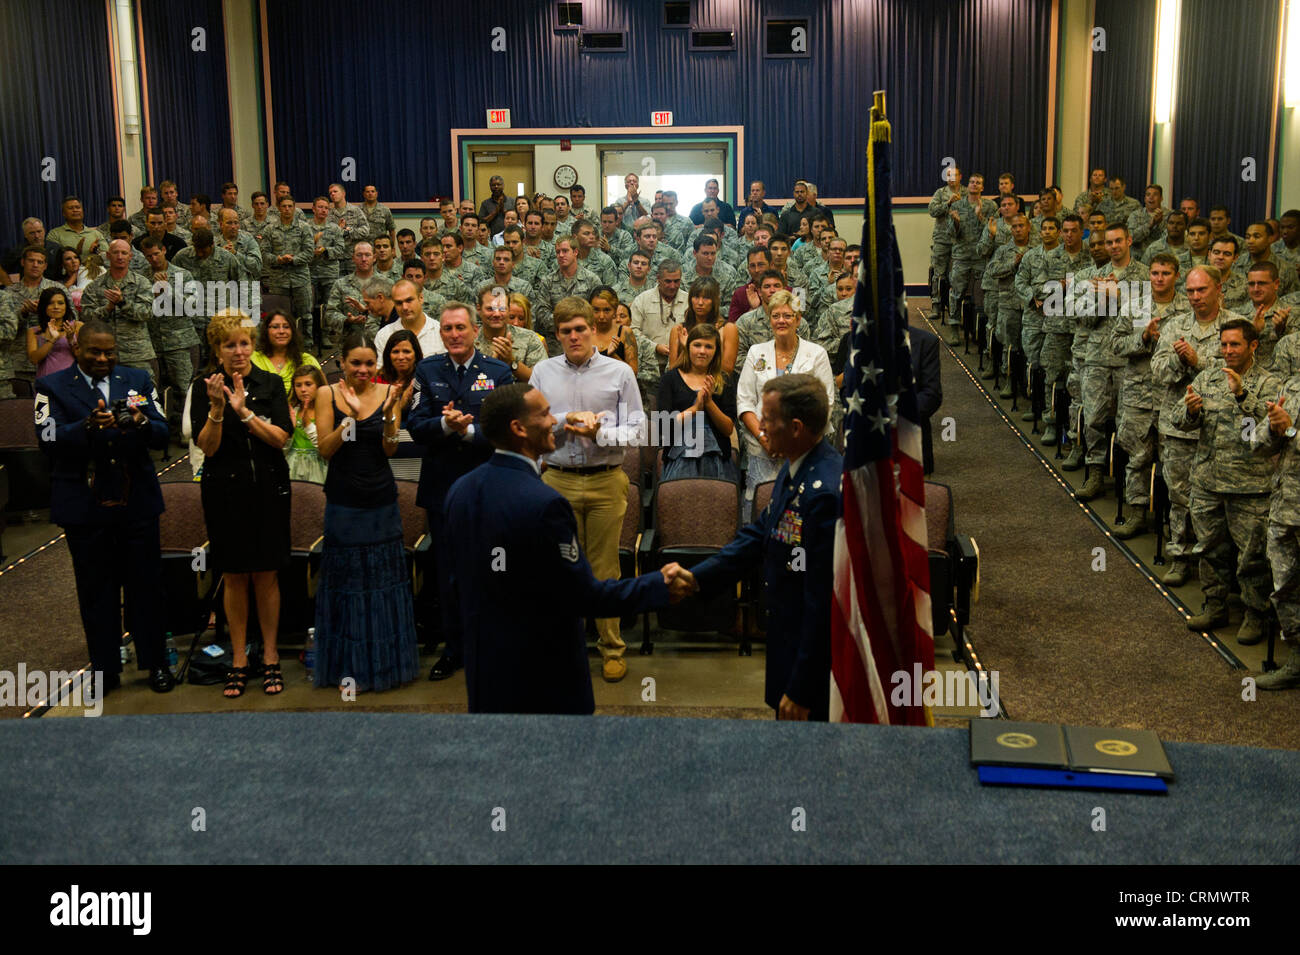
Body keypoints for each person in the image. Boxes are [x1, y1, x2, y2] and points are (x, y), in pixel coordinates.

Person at [444, 383, 689, 713]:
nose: (555, 421)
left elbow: (458, 582)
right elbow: (582, 595)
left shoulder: (460, 490)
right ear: (518, 428)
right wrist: (654, 586)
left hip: (485, 667)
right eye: (545, 414)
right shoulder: (546, 503)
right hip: (544, 672)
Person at [671, 374, 841, 720]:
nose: (759, 426)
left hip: (813, 667)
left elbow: (822, 604)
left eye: (767, 419)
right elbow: (758, 535)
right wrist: (696, 576)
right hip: (785, 642)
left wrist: (801, 688)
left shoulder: (825, 492)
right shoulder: (796, 468)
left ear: (795, 427)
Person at [34, 320, 175, 696]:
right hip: (84, 503)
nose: (102, 358)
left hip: (136, 499)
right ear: (77, 348)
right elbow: (46, 436)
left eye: (109, 352)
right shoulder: (52, 386)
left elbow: (163, 430)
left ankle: (156, 663)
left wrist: (140, 420)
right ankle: (105, 670)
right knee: (97, 590)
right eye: (94, 352)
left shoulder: (136, 381)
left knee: (146, 586)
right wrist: (85, 427)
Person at [530, 297, 645, 682]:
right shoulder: (543, 373)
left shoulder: (620, 372)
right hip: (556, 479)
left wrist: (601, 432)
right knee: (560, 567)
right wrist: (566, 419)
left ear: (594, 329)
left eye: (580, 329)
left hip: (606, 479)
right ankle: (566, 647)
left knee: (605, 568)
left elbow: (638, 429)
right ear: (557, 335)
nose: (574, 336)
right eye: (566, 331)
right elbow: (533, 424)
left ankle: (611, 647)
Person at [405, 303, 514, 680]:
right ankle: (455, 649)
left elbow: (508, 430)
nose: (454, 334)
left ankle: (496, 647)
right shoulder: (426, 370)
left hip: (489, 488)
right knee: (449, 573)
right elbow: (416, 425)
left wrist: (467, 432)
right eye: (448, 328)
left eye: (461, 328)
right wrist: (444, 425)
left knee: (495, 570)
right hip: (443, 491)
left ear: (475, 330)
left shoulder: (499, 372)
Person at [190, 310, 293, 698]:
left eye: (244, 342)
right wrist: (218, 410)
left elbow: (280, 437)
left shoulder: (269, 383)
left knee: (266, 573)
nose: (238, 350)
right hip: (224, 490)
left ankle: (269, 654)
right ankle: (237, 657)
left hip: (267, 487)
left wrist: (244, 411)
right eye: (229, 344)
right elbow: (207, 448)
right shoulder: (203, 388)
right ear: (217, 351)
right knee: (233, 575)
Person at [311, 333, 419, 691]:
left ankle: (384, 666)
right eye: (355, 363)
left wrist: (388, 415)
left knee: (382, 584)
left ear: (377, 366)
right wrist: (351, 420)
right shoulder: (327, 394)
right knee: (348, 584)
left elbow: (389, 449)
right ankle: (348, 668)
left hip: (381, 500)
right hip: (343, 501)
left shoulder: (389, 393)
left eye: (369, 364)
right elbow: (325, 450)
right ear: (342, 363)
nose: (362, 369)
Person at [1176, 319, 1280, 643]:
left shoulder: (1268, 384)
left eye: (1234, 345)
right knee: (1210, 550)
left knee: (1252, 557)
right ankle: (1215, 605)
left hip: (1250, 488)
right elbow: (1179, 421)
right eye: (1223, 345)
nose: (1227, 351)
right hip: (1208, 482)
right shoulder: (1207, 377)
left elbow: (1264, 435)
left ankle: (1254, 614)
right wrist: (1191, 413)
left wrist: (1242, 397)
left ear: (1253, 346)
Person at [736, 290, 834, 518]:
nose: (781, 320)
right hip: (763, 449)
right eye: (776, 315)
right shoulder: (756, 352)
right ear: (769, 319)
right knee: (760, 512)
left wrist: (793, 443)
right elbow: (745, 402)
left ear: (798, 319)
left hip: (805, 451)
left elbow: (825, 405)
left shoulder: (816, 354)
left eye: (788, 315)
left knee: (799, 515)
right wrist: (765, 439)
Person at [657, 322, 737, 481]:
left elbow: (728, 429)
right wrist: (695, 408)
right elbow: (664, 427)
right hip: (678, 459)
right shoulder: (670, 379)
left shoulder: (724, 380)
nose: (702, 351)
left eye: (708, 347)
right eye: (697, 345)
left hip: (717, 461)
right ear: (688, 347)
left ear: (716, 351)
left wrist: (709, 403)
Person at [375, 328, 423, 481]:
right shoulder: (377, 380)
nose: (401, 357)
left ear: (416, 354)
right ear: (388, 355)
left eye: (406, 351)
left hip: (416, 453)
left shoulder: (424, 379)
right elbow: (374, 417)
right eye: (395, 351)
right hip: (383, 451)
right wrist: (401, 403)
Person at [670, 276, 738, 376]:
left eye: (706, 298)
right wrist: (686, 349)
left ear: (714, 301)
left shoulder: (728, 329)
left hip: (716, 386)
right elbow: (672, 371)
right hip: (683, 387)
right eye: (696, 297)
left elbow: (727, 369)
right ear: (690, 299)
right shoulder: (679, 330)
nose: (700, 303)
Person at [252, 309, 322, 395]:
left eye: (286, 327)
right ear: (266, 331)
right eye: (275, 327)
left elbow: (324, 395)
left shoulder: (307, 360)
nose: (281, 331)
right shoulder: (253, 359)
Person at [285, 364, 328, 483]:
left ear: (319, 386)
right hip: (293, 466)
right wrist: (289, 432)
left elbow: (329, 449)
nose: (303, 389)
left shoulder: (328, 412)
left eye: (308, 384)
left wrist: (308, 424)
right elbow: (283, 449)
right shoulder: (292, 411)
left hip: (321, 466)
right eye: (298, 385)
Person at [27, 288, 82, 378]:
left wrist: (71, 340)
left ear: (66, 306)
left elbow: (82, 357)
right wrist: (52, 339)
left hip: (72, 380)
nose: (56, 307)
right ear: (44, 306)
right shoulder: (34, 331)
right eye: (50, 303)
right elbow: (34, 359)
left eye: (60, 303)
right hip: (46, 381)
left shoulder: (77, 326)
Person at [589, 285, 638, 375]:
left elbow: (632, 374)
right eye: (596, 310)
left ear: (615, 310)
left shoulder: (625, 333)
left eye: (607, 310)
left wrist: (613, 356)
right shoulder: (583, 332)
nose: (601, 316)